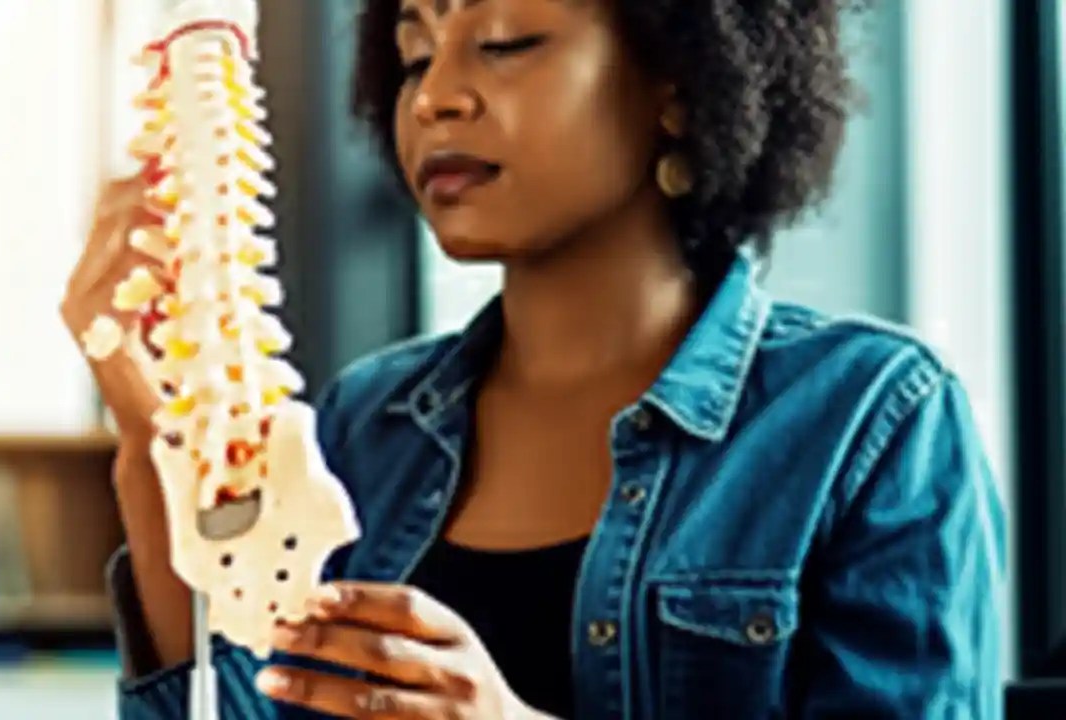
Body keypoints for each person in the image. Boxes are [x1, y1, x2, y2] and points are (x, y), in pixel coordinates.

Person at [61, 0, 1007, 717]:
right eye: (414, 56)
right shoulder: (360, 423)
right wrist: (155, 442)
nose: (436, 97)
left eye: (506, 42)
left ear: (678, 79)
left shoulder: (869, 418)